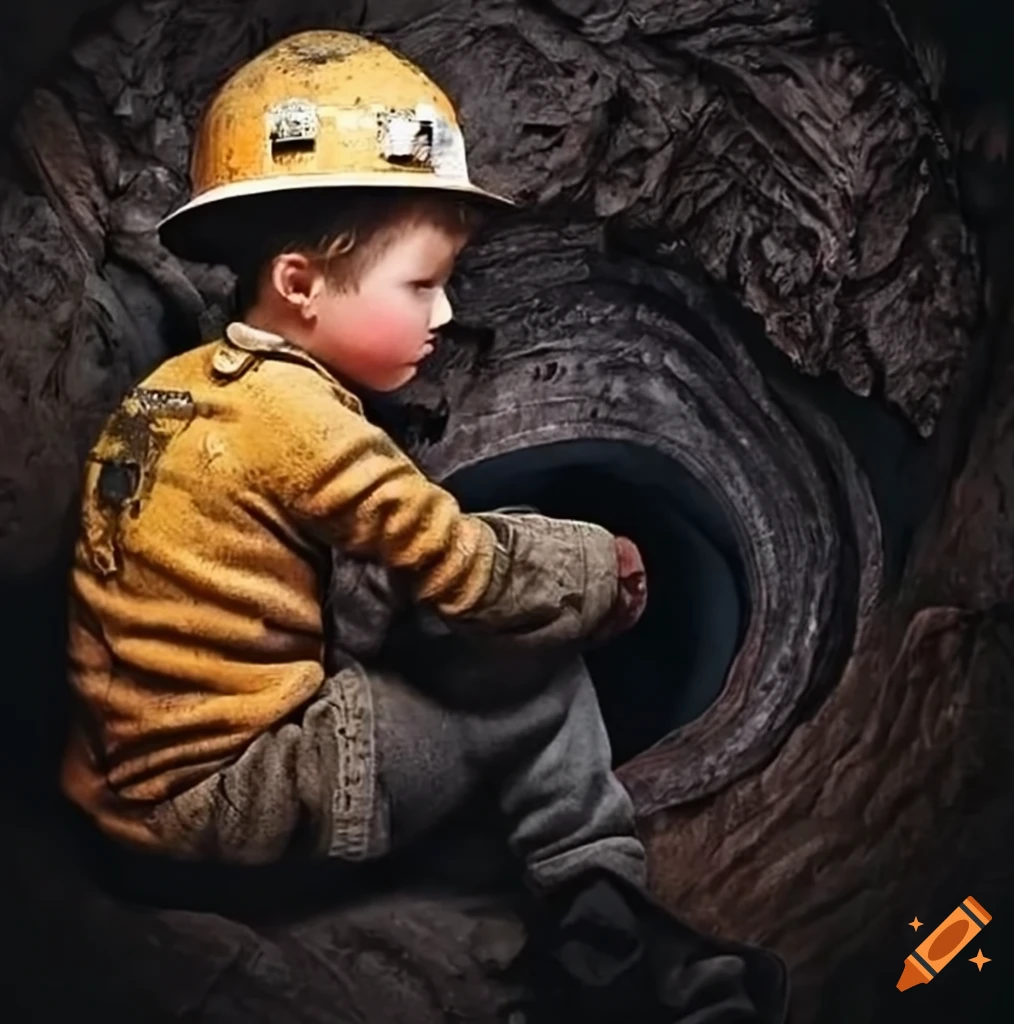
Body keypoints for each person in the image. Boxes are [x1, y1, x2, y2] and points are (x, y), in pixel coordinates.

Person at [61, 30, 787, 1022]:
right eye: (418, 284)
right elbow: (467, 571)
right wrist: (595, 564)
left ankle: (576, 891)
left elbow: (324, 586)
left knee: (462, 617)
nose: (444, 313)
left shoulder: (172, 395)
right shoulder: (305, 423)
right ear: (299, 283)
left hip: (117, 811)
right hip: (239, 804)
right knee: (532, 670)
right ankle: (600, 904)